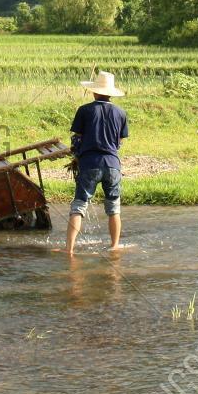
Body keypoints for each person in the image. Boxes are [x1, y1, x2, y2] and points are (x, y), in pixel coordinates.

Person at [65, 71, 128, 257]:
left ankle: (69, 250)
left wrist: (77, 156)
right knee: (113, 207)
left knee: (79, 206)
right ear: (110, 93)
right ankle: (115, 245)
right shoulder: (121, 113)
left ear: (94, 92)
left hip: (89, 163)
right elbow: (119, 142)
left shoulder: (84, 110)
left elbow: (77, 139)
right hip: (112, 165)